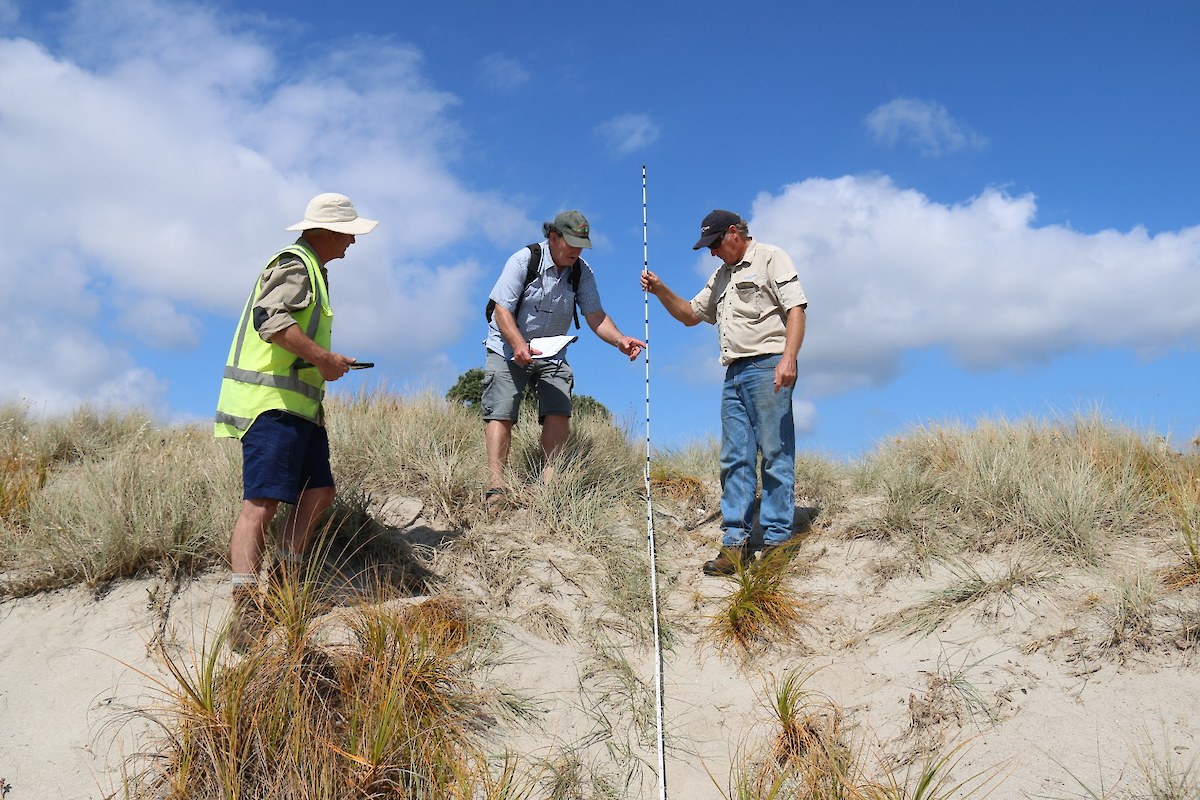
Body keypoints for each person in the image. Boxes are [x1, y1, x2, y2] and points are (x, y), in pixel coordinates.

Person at [214, 192, 378, 650]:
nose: (351, 242)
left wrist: (326, 361)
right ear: (326, 231)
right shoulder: (296, 263)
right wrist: (324, 358)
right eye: (348, 233)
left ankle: (285, 580)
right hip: (271, 406)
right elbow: (270, 321)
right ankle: (247, 611)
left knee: (320, 492)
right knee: (261, 506)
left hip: (300, 410)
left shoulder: (315, 271)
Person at [641, 210, 808, 575]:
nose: (712, 252)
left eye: (715, 243)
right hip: (732, 373)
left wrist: (788, 359)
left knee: (776, 453)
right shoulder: (720, 275)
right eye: (708, 247)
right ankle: (735, 544)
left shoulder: (770, 257)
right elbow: (689, 314)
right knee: (735, 459)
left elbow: (796, 308)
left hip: (768, 366)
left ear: (734, 233)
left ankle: (778, 541)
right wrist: (660, 289)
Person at [482, 210, 645, 505]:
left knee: (559, 410)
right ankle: (497, 486)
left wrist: (620, 340)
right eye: (570, 243)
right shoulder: (523, 261)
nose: (576, 250)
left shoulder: (582, 272)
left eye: (581, 244)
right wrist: (518, 344)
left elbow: (595, 315)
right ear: (553, 237)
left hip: (553, 351)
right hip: (507, 347)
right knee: (501, 410)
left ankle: (550, 484)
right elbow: (500, 310)